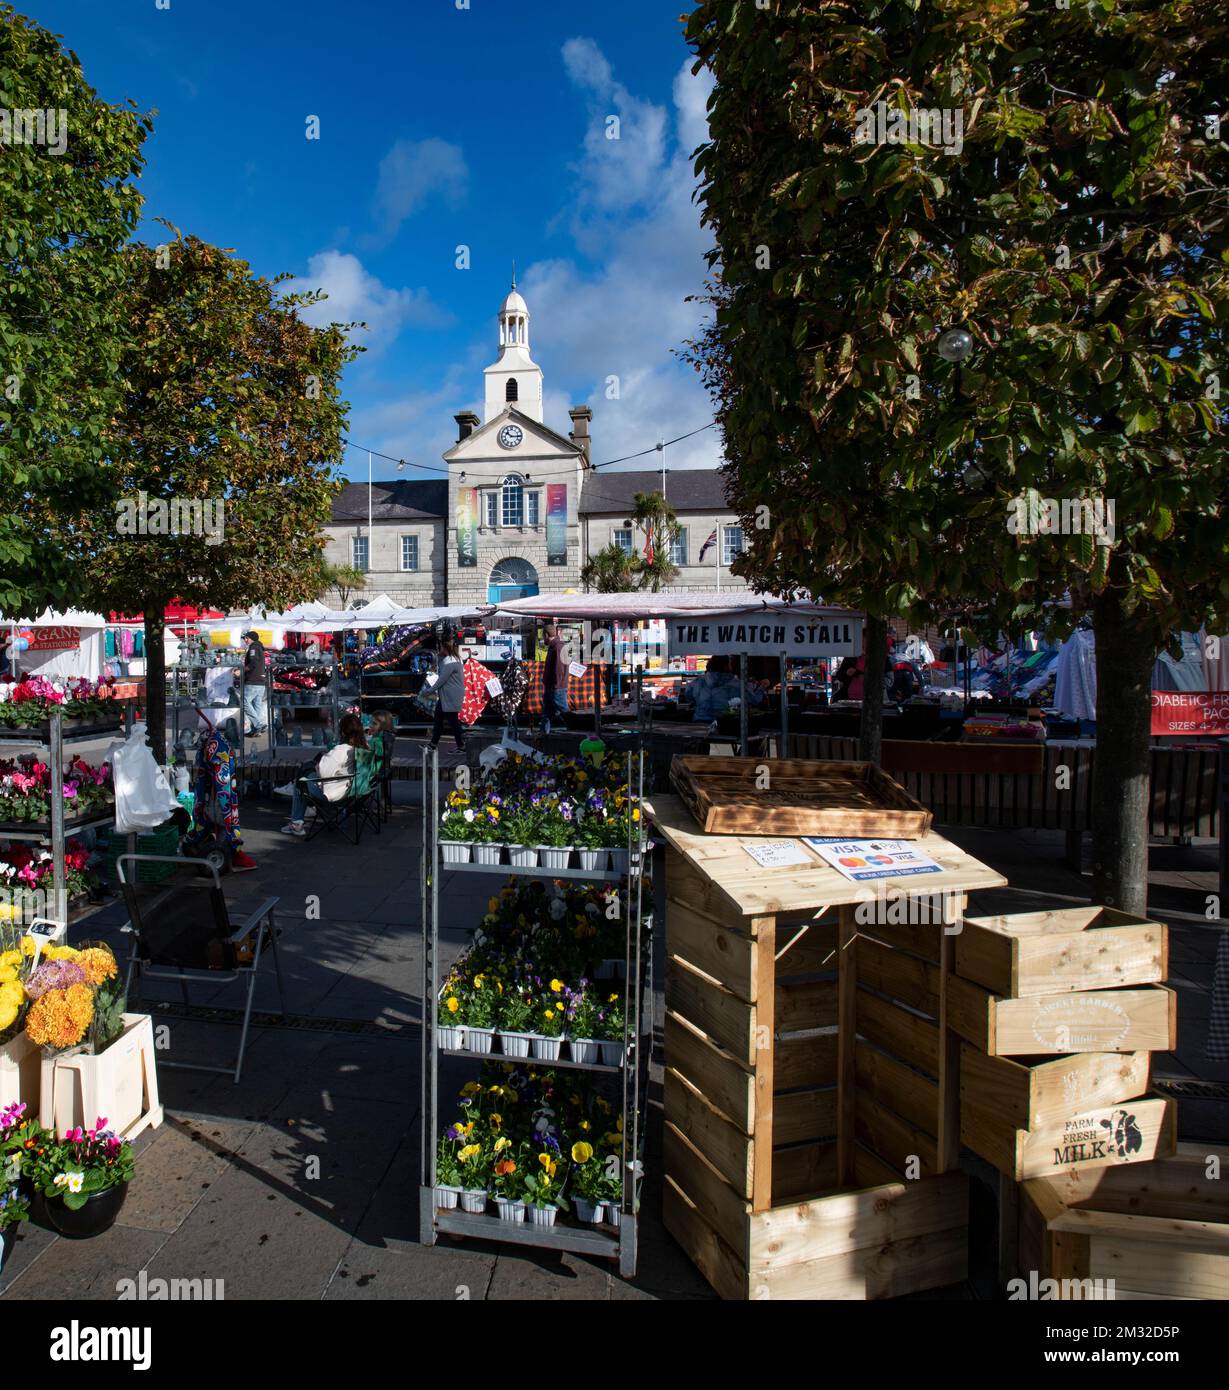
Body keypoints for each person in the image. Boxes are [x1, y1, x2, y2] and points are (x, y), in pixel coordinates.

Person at [280, 712, 367, 837]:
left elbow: (324, 773)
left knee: (301, 779)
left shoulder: (340, 751)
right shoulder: (364, 748)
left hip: (336, 794)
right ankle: (305, 814)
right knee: (306, 777)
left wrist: (318, 764)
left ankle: (297, 824)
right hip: (355, 792)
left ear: (342, 732)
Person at [680, 656, 765, 723]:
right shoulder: (736, 683)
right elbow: (754, 700)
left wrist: (701, 703)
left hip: (700, 721)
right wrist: (762, 687)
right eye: (730, 664)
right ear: (725, 666)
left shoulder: (698, 681)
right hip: (723, 724)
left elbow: (688, 695)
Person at [429, 635, 467, 752]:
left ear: (445, 648)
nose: (439, 650)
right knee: (440, 719)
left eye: (441, 648)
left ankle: (461, 746)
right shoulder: (455, 659)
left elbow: (442, 679)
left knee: (452, 721)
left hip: (450, 696)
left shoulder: (450, 662)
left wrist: (429, 691)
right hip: (449, 695)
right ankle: (433, 744)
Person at [540, 623, 569, 734]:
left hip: (556, 687)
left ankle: (577, 730)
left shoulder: (557, 647)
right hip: (553, 686)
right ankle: (543, 735)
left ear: (546, 635)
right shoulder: (555, 646)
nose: (543, 639)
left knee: (564, 712)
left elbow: (559, 669)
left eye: (543, 636)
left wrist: (555, 686)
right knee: (547, 713)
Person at [239, 631, 268, 735]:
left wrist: (241, 670)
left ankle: (258, 725)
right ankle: (257, 731)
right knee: (257, 705)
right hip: (260, 681)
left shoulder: (254, 648)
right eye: (244, 638)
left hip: (253, 681)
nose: (245, 640)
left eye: (246, 638)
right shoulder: (259, 648)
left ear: (252, 638)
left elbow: (253, 663)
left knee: (244, 701)